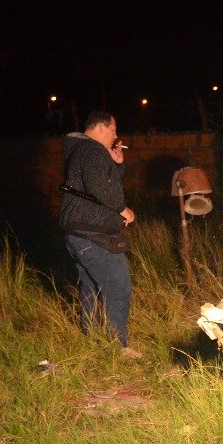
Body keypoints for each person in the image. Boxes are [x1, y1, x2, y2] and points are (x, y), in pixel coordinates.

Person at [58, 110, 140, 358]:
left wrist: (116, 164)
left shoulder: (78, 150)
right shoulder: (92, 149)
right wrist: (122, 209)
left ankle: (92, 339)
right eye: (113, 130)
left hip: (77, 232)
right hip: (92, 231)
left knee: (92, 286)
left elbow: (98, 183)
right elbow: (101, 187)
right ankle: (118, 346)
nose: (116, 136)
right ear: (101, 128)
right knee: (118, 285)